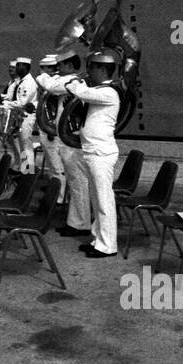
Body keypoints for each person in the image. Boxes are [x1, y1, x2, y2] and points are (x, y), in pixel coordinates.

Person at [63, 51, 122, 258]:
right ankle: (98, 240)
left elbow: (80, 92)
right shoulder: (99, 91)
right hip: (91, 151)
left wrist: (75, 82)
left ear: (103, 69)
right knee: (96, 200)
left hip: (101, 153)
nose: (89, 71)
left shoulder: (109, 92)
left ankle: (108, 246)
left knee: (104, 201)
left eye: (92, 68)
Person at [38, 50, 91, 239]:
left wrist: (43, 73)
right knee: (74, 181)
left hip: (72, 140)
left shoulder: (73, 82)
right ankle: (75, 222)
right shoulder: (68, 81)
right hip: (65, 137)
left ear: (69, 66)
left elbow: (50, 86)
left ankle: (81, 224)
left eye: (60, 66)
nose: (57, 69)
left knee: (78, 182)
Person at [2, 57, 38, 174]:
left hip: (27, 117)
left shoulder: (27, 83)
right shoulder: (22, 81)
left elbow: (21, 103)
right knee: (22, 145)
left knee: (26, 144)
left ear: (25, 67)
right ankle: (23, 169)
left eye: (19, 65)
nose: (16, 68)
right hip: (21, 116)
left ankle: (28, 172)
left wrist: (6, 104)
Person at [34, 54, 65, 188]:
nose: (41, 70)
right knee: (26, 149)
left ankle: (26, 171)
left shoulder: (55, 83)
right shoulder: (16, 83)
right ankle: (24, 171)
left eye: (43, 68)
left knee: (55, 164)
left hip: (49, 126)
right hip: (40, 123)